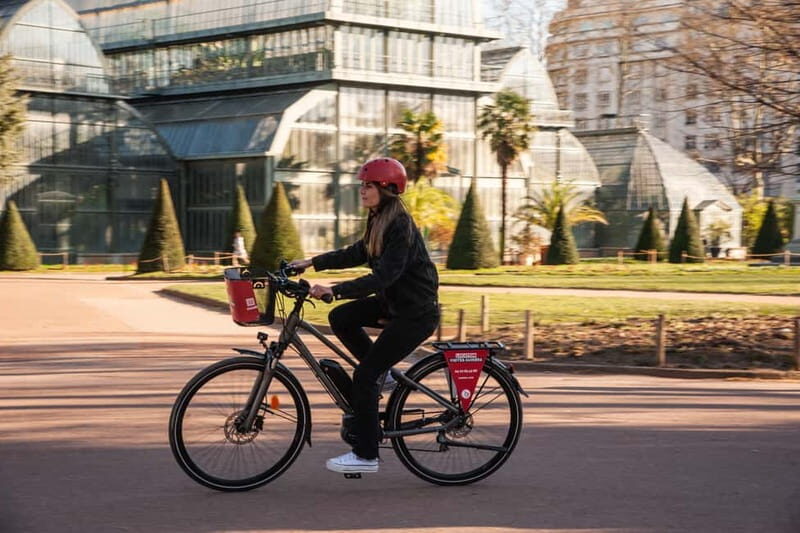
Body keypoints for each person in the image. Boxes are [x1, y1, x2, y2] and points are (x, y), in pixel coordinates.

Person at [290, 157, 439, 474]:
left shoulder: (400, 226)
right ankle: (382, 373)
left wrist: (335, 290)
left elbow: (383, 277)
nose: (362, 190)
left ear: (386, 189)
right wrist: (311, 262)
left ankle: (366, 454)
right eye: (362, 185)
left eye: (368, 185)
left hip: (414, 313)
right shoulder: (379, 219)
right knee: (341, 318)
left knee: (364, 376)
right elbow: (356, 252)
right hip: (393, 305)